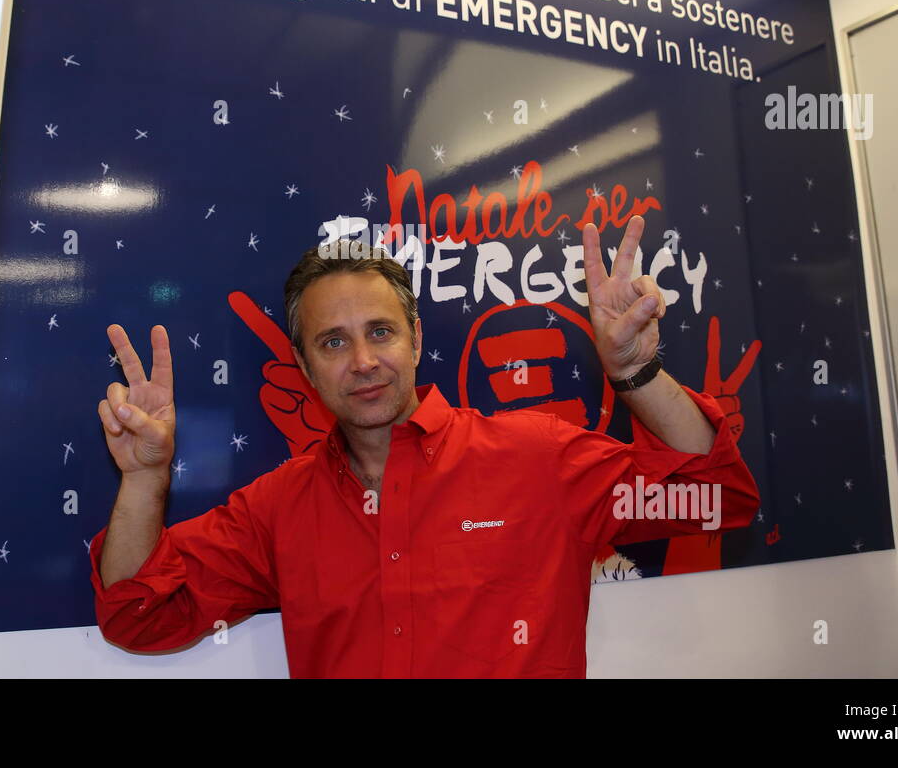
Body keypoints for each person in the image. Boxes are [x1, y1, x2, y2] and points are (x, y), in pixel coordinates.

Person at [89, 215, 760, 677]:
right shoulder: (278, 507)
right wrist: (145, 479)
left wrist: (635, 374)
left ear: (414, 335)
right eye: (333, 342)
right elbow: (138, 618)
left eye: (380, 332)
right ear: (304, 364)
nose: (362, 361)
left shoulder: (536, 458)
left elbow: (720, 498)